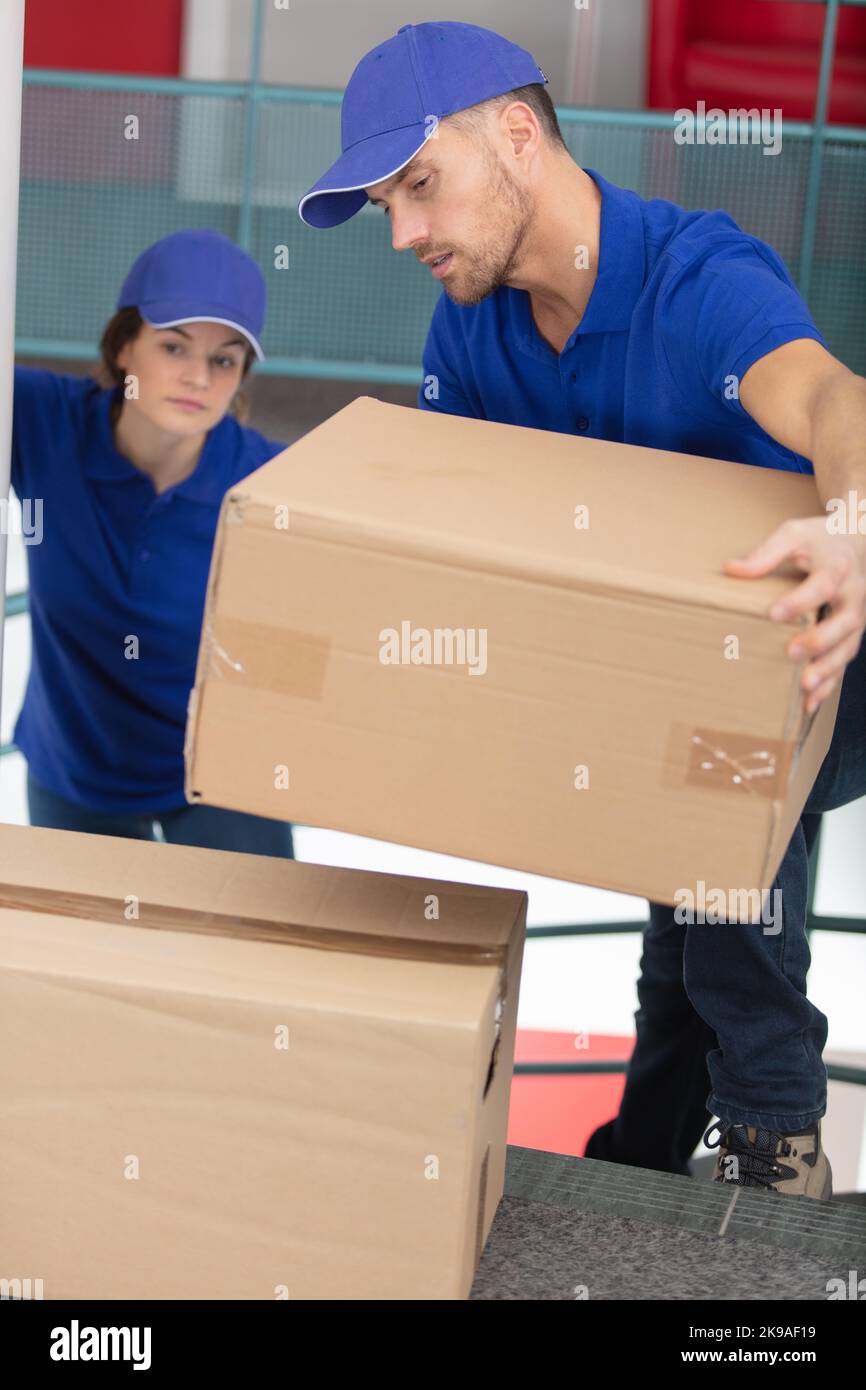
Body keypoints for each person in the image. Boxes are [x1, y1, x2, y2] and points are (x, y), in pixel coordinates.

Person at [297, 21, 866, 1198]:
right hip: (677, 682)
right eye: (384, 208)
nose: (402, 235)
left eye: (417, 187)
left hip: (819, 644)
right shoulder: (473, 323)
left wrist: (851, 532)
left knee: (717, 810)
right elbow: (466, 537)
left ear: (516, 135)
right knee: (685, 906)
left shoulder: (694, 281)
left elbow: (830, 397)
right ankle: (653, 1145)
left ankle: (776, 1135)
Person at [10, 228, 295, 859]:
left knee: (257, 952)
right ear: (123, 349)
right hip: (75, 770)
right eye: (174, 347)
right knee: (89, 957)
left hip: (218, 775)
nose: (197, 377)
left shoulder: (273, 485)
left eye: (224, 360)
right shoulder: (41, 422)